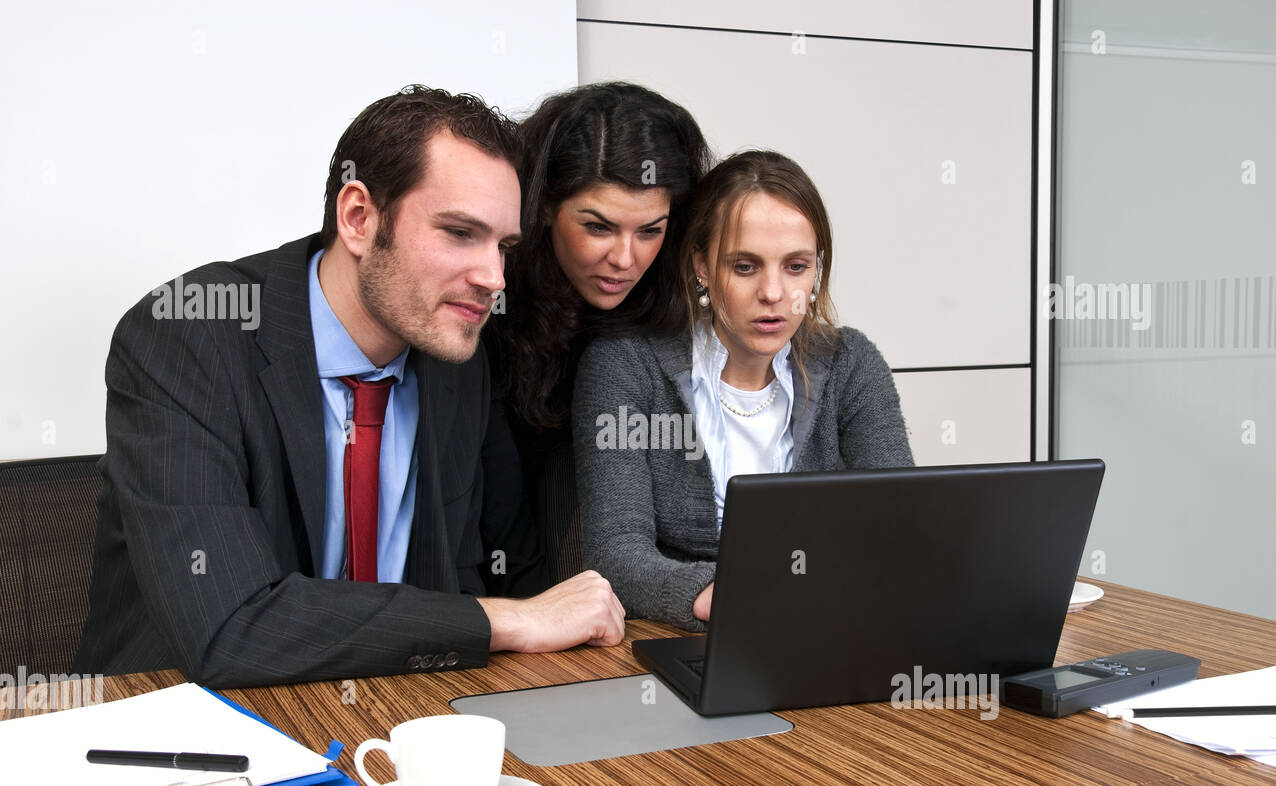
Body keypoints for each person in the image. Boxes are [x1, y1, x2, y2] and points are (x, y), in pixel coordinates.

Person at [73, 86, 625, 689]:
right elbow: (230, 624)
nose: (493, 278)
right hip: (184, 731)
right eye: (460, 233)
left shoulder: (458, 354)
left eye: (503, 246)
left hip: (400, 711)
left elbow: (505, 572)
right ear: (359, 217)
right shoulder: (186, 337)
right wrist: (504, 621)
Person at [572, 150, 914, 631]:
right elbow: (618, 557)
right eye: (746, 266)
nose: (774, 293)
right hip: (679, 640)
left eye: (796, 266)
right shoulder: (626, 366)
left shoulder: (851, 364)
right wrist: (743, 598)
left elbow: (898, 530)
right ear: (702, 266)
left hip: (831, 627)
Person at [482, 82, 710, 588]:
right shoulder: (487, 298)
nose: (626, 259)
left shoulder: (678, 304)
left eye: (650, 230)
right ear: (543, 207)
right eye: (599, 228)